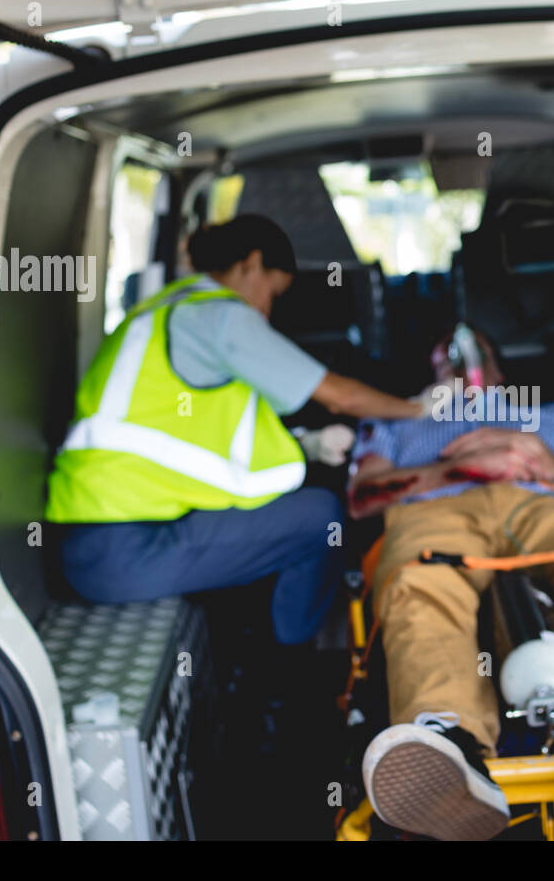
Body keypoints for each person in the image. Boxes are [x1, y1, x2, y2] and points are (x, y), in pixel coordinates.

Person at [46, 214, 423, 645]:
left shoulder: (163, 309)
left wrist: (306, 446)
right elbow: (340, 396)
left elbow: (190, 432)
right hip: (128, 549)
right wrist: (417, 409)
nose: (267, 310)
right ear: (252, 264)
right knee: (322, 517)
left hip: (89, 540)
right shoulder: (222, 317)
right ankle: (297, 661)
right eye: (272, 293)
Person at [350, 327, 554, 841]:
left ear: (497, 363)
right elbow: (363, 497)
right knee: (419, 587)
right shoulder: (396, 421)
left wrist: (532, 453)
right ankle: (449, 743)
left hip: (540, 503)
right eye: (444, 359)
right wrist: (454, 468)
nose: (458, 364)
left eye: (471, 354)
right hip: (437, 508)